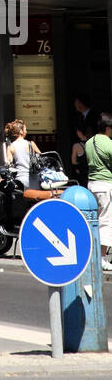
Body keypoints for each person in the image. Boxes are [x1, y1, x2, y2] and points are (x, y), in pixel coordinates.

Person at [85, 113, 112, 271]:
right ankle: (101, 258)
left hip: (91, 185)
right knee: (105, 221)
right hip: (105, 185)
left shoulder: (90, 142)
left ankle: (94, 255)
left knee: (94, 221)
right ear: (107, 128)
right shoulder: (108, 143)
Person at [3, 118, 40, 189]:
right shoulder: (31, 144)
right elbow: (42, 159)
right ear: (21, 131)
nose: (26, 131)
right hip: (34, 181)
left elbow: (9, 165)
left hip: (19, 181)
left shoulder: (10, 147)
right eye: (25, 129)